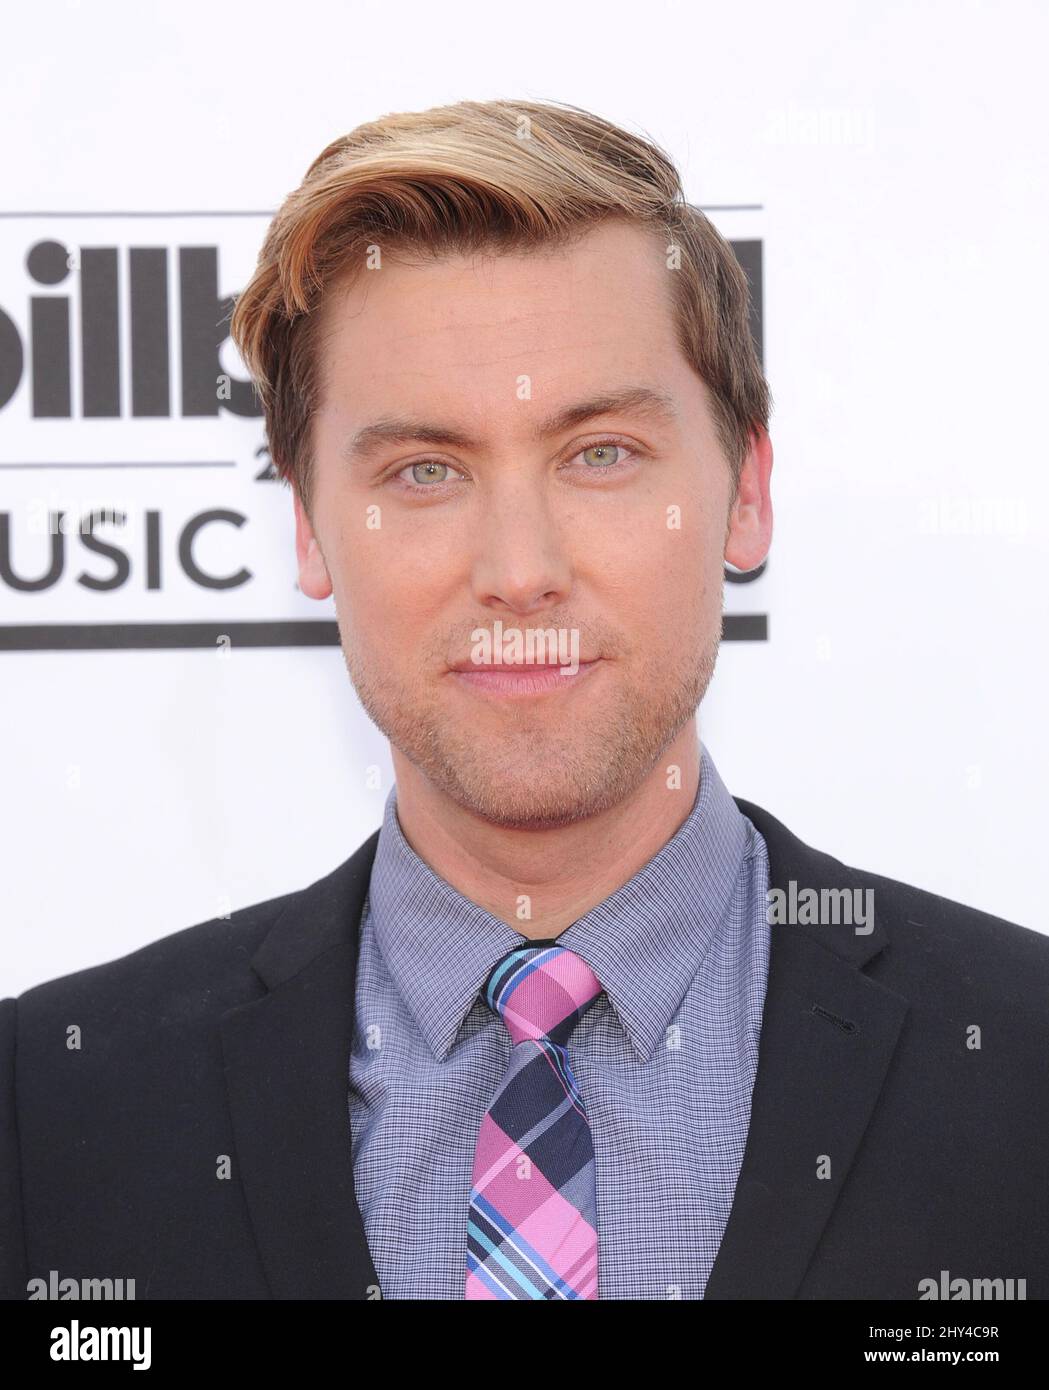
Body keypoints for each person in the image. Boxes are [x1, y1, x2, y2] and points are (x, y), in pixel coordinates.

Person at [3, 98, 1047, 1302]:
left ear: (746, 492)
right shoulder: (55, 1107)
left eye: (598, 452)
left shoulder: (1020, 1069)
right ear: (307, 525)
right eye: (426, 471)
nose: (516, 568)